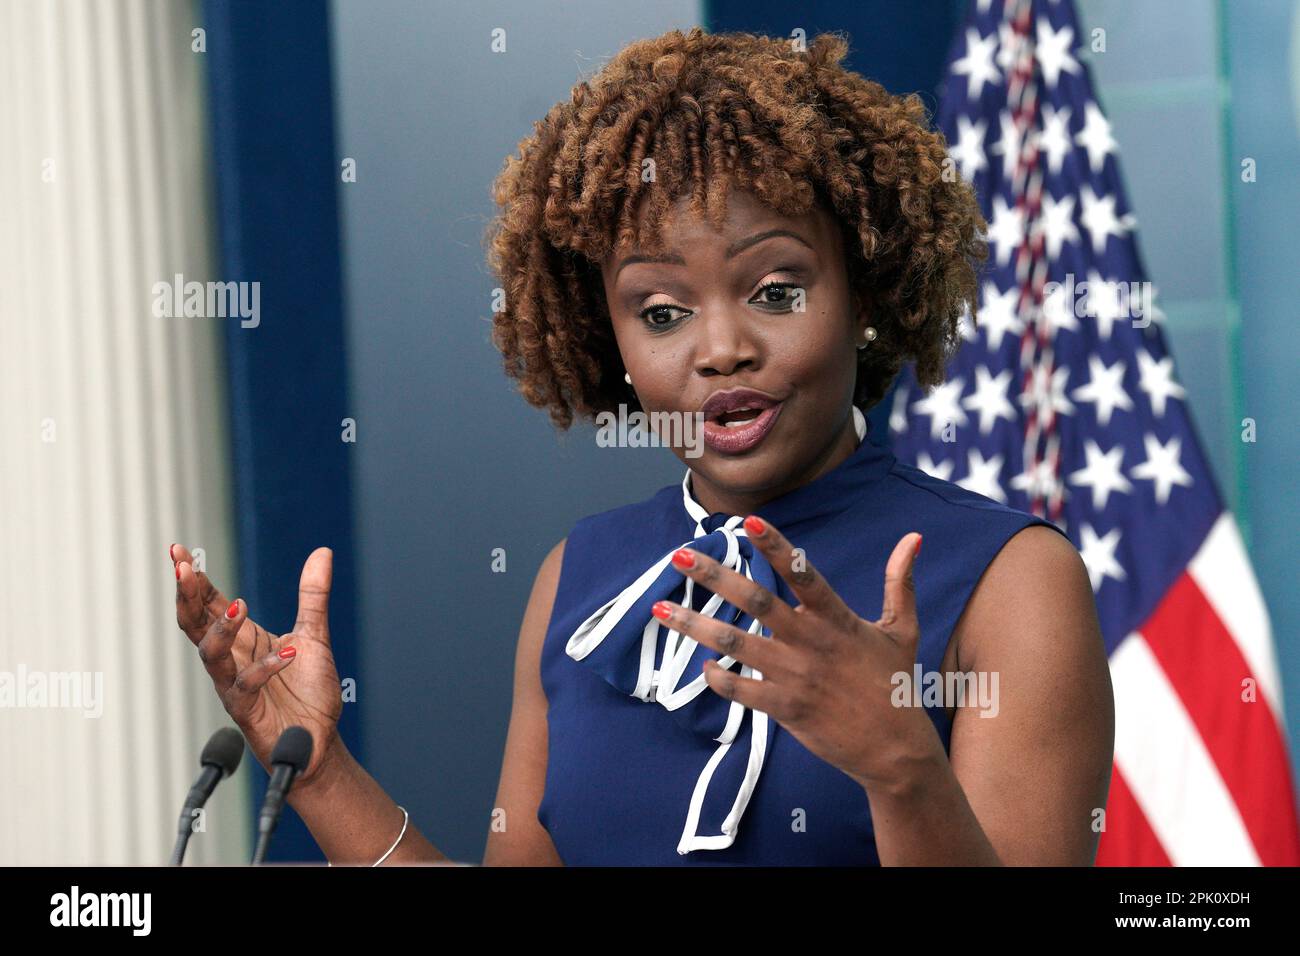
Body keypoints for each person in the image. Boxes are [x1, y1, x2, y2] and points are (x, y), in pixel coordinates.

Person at [170, 27, 1113, 865]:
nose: (721, 348)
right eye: (661, 310)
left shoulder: (1008, 579)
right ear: (607, 340)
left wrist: (902, 765)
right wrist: (323, 770)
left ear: (863, 293)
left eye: (776, 290)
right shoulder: (579, 578)